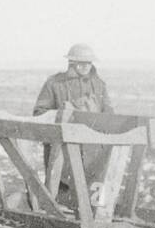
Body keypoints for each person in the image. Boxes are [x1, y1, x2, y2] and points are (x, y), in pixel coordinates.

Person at [33, 44, 114, 202]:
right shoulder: (54, 84)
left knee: (95, 196)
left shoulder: (99, 85)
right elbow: (39, 113)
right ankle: (56, 219)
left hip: (93, 149)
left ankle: (96, 221)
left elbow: (109, 114)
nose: (85, 67)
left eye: (88, 63)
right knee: (59, 195)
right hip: (62, 149)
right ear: (71, 62)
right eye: (80, 63)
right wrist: (64, 114)